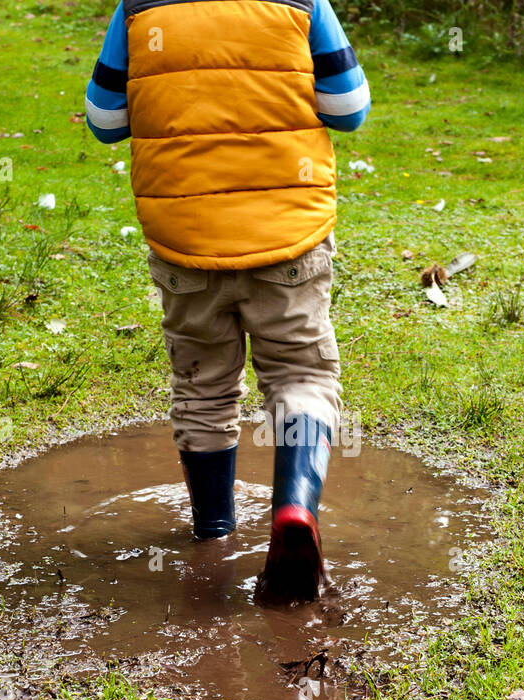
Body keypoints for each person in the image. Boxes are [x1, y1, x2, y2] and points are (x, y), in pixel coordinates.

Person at [85, 0, 370, 601]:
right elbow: (348, 108)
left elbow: (105, 119)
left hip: (186, 239)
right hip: (286, 238)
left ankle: (214, 531)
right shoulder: (302, 3)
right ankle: (294, 510)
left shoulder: (137, 9)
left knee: (203, 385)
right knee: (300, 373)